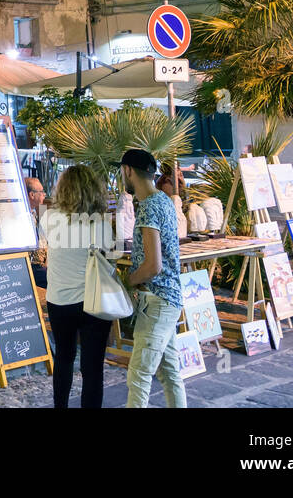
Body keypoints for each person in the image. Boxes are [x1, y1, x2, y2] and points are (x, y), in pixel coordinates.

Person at [122, 148, 186, 409]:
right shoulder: (165, 201)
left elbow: (152, 265)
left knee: (138, 376)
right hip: (169, 300)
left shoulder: (148, 208)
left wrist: (128, 280)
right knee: (169, 374)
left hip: (157, 302)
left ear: (128, 171)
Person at [43, 164, 111, 409]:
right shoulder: (99, 222)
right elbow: (109, 256)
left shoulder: (48, 216)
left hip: (59, 299)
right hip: (92, 301)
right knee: (93, 368)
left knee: (63, 357)